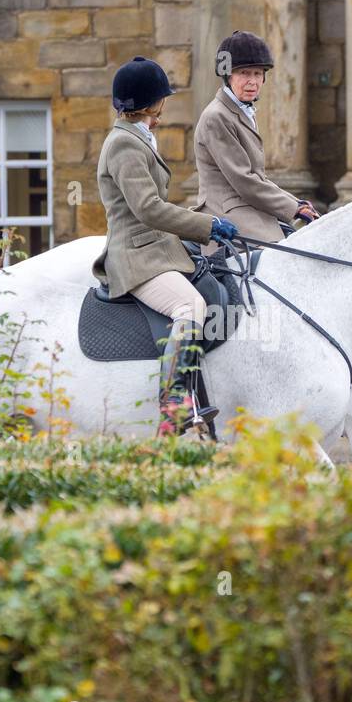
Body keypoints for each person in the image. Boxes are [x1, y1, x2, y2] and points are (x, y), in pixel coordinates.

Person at [92, 57, 239, 436]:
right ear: (150, 103)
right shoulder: (124, 144)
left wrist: (202, 230)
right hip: (136, 256)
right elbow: (148, 208)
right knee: (190, 306)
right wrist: (206, 225)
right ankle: (173, 406)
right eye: (161, 101)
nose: (163, 109)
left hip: (158, 249)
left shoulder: (138, 136)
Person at [193, 30, 317, 245]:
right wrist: (293, 209)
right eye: (244, 73)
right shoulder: (217, 117)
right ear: (227, 75)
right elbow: (245, 181)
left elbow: (258, 178)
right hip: (228, 213)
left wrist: (298, 203)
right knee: (284, 252)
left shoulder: (241, 111)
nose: (252, 81)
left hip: (249, 207)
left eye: (258, 74)